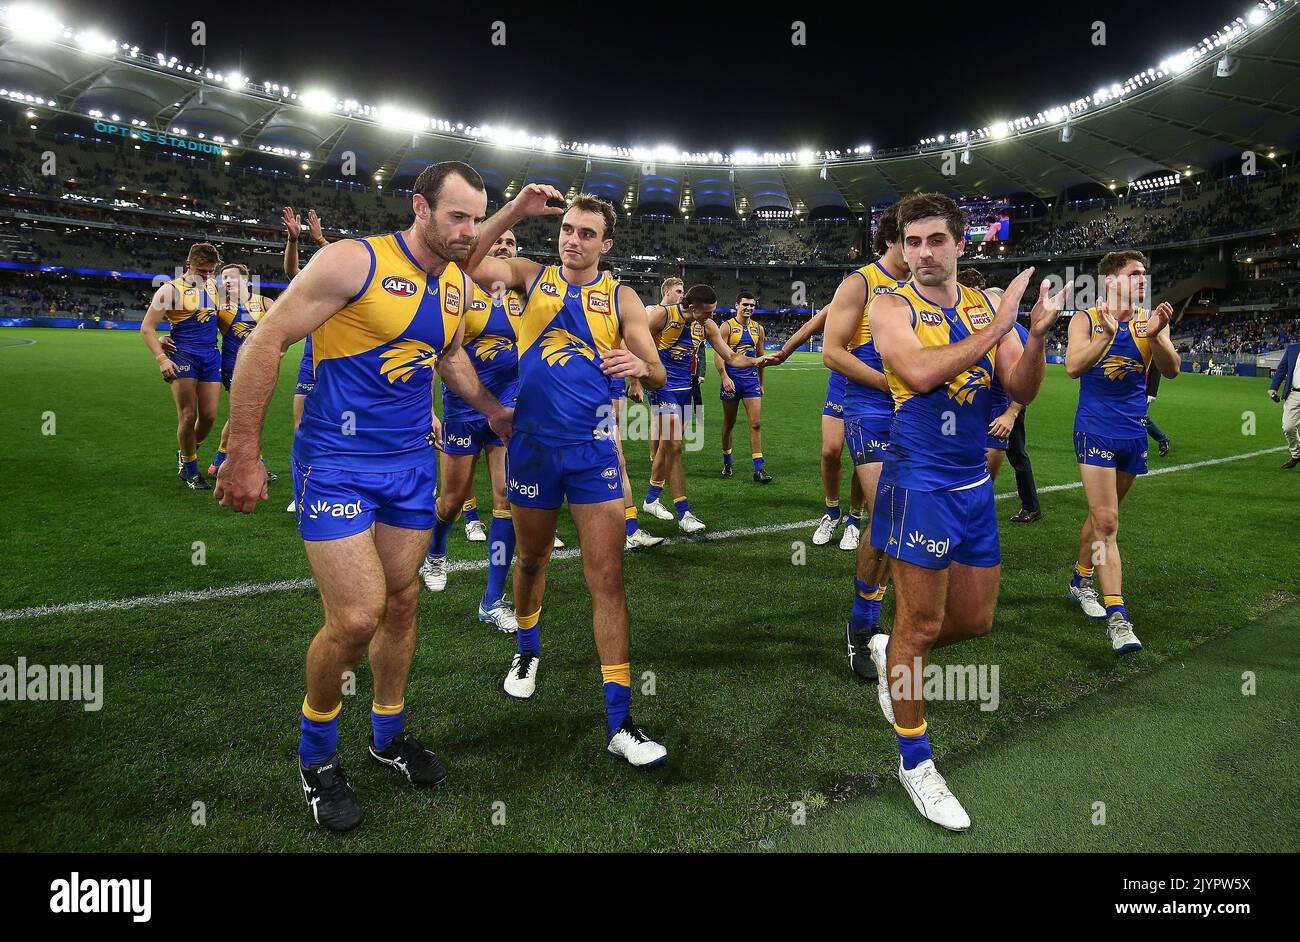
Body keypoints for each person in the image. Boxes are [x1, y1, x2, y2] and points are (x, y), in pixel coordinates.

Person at [214, 161, 513, 833]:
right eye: (458, 216)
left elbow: (451, 356)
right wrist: (243, 451)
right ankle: (316, 757)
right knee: (355, 618)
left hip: (410, 465)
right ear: (421, 208)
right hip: (337, 463)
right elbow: (267, 339)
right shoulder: (354, 262)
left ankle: (386, 736)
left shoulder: (458, 289)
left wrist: (494, 411)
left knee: (402, 603)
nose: (470, 230)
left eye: (477, 217)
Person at [863, 192, 1067, 831]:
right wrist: (1001, 324)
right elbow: (919, 374)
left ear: (959, 244)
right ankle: (916, 762)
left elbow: (1021, 389)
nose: (924, 253)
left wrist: (1031, 337)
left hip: (974, 483)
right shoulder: (890, 306)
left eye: (936, 241)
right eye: (913, 241)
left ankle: (893, 661)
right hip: (917, 483)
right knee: (920, 627)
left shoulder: (984, 307)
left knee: (974, 623)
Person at [465, 186, 672, 768]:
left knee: (606, 578)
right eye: (568, 230)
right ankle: (527, 650)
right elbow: (464, 261)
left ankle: (620, 720)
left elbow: (654, 374)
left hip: (594, 450)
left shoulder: (621, 296)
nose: (573, 241)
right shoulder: (530, 276)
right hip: (530, 448)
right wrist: (512, 212)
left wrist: (641, 366)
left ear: (606, 244)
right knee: (530, 561)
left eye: (587, 234)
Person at [1065, 250, 1179, 655]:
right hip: (1094, 430)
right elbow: (1073, 366)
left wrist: (1156, 334)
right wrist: (1107, 336)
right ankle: (1118, 619)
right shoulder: (1086, 319)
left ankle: (1081, 580)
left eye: (1145, 273)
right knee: (1108, 523)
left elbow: (1171, 369)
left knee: (1101, 520)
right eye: (1134, 274)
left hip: (1133, 435)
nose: (1143, 279)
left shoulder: (1150, 321)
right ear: (1111, 281)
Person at [417, 227, 530, 632]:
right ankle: (436, 550)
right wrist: (428, 409)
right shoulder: (462, 292)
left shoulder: (522, 298)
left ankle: (492, 599)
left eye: (511, 244)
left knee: (507, 499)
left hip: (508, 412)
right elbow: (439, 354)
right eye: (498, 242)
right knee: (451, 498)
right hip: (464, 410)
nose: (504, 247)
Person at [821, 204, 909, 678]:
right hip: (872, 411)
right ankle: (862, 628)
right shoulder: (861, 283)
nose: (920, 251)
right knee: (890, 514)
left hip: (919, 415)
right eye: (911, 241)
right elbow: (833, 353)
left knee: (912, 516)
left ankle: (900, 619)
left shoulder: (928, 287)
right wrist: (890, 385)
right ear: (893, 239)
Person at [642, 285, 774, 532]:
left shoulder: (707, 326)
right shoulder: (663, 315)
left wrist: (757, 360)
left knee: (667, 446)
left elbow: (731, 357)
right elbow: (635, 341)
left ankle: (651, 498)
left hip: (685, 389)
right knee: (676, 446)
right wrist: (637, 381)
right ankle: (684, 513)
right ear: (692, 308)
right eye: (708, 312)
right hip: (661, 386)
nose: (711, 317)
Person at [772, 306, 866, 550]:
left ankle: (855, 519)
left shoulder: (889, 298)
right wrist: (782, 354)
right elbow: (807, 328)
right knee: (829, 452)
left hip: (870, 386)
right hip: (840, 382)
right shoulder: (846, 296)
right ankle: (832, 511)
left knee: (864, 459)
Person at [958, 269, 1041, 521]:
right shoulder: (969, 324)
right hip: (982, 406)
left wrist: (1012, 412)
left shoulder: (1014, 331)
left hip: (1004, 404)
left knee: (1011, 456)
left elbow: (1026, 376)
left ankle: (1029, 506)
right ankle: (1030, 505)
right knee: (1015, 453)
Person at [139, 242, 223, 489]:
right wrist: (162, 358)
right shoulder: (169, 290)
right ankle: (190, 469)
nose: (207, 275)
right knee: (188, 415)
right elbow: (147, 328)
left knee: (208, 416)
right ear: (189, 265)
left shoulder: (213, 288)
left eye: (210, 271)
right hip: (183, 356)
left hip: (210, 357)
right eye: (202, 270)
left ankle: (187, 452)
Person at [283, 207, 329, 512]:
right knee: (301, 427)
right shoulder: (317, 293)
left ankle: (332, 485)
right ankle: (302, 490)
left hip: (339, 370)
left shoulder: (350, 291)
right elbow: (291, 274)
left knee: (338, 429)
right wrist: (294, 241)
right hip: (310, 366)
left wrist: (322, 240)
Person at [718, 292, 772, 482]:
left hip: (750, 383)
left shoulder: (759, 329)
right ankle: (727, 462)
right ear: (736, 305)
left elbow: (761, 358)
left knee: (756, 424)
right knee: (729, 424)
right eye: (745, 305)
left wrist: (761, 383)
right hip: (731, 382)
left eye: (752, 305)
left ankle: (758, 469)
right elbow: (719, 356)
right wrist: (724, 376)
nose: (748, 308)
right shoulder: (726, 327)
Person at [1267, 340, 1300, 468]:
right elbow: (1282, 368)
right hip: (1294, 394)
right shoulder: (1293, 349)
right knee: (1288, 427)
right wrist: (1273, 388)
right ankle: (1297, 455)